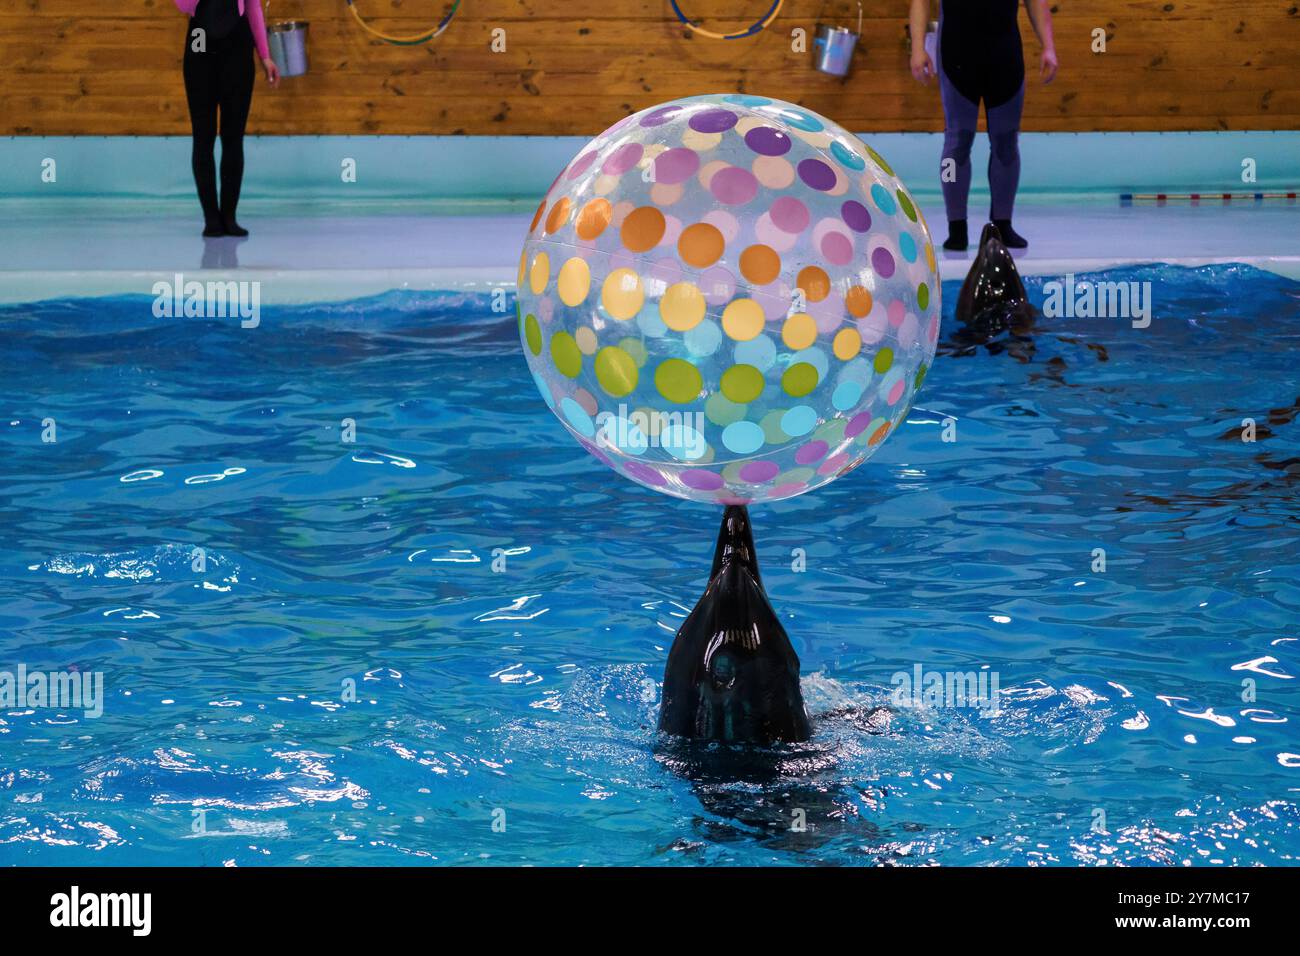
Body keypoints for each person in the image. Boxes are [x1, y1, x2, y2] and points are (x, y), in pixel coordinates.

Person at [909, 0, 1057, 250]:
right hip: (957, 54)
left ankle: (1003, 224)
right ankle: (956, 227)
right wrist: (917, 48)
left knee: (1006, 141)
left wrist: (1049, 46)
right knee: (957, 142)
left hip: (1004, 53)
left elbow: (1035, 2)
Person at [174, 1, 280, 237]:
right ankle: (211, 218)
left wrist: (264, 55)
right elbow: (183, 5)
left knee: (233, 137)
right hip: (200, 38)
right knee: (204, 135)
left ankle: (229, 216)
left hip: (237, 41)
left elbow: (253, 7)